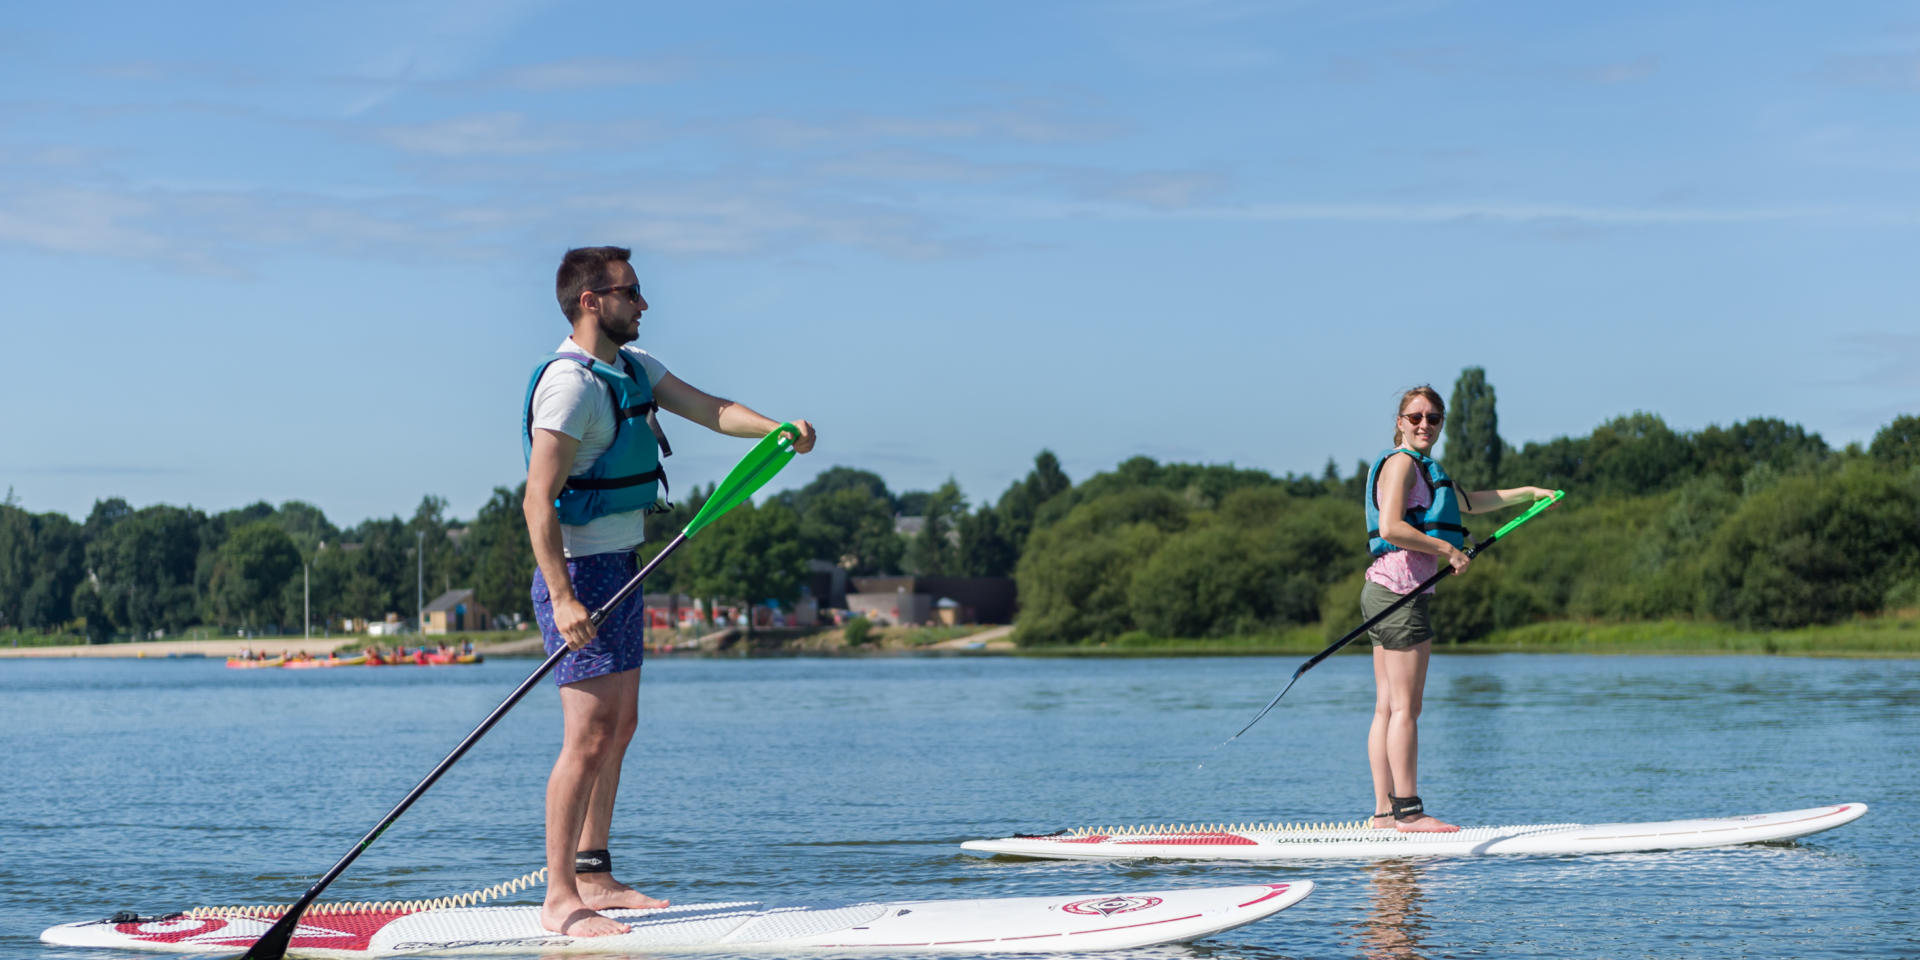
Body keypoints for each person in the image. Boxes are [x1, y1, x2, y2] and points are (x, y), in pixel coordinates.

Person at [523, 245, 815, 937]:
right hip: (579, 577)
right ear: (592, 301)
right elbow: (538, 501)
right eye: (631, 292)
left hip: (622, 568)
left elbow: (713, 411)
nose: (643, 304)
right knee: (585, 737)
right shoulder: (569, 387)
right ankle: (560, 899)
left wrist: (777, 429)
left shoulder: (635, 369)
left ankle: (594, 873)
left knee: (619, 728)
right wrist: (564, 599)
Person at [1361, 385, 1553, 833]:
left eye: (1434, 418)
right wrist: (1448, 550)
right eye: (1415, 417)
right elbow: (1391, 526)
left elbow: (1469, 502)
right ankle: (1407, 813)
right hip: (1402, 592)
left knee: (1388, 708)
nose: (1425, 424)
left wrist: (1528, 493)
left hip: (1384, 590)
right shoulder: (1403, 464)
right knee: (1404, 709)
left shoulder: (1424, 469)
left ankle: (1384, 815)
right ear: (1399, 422)